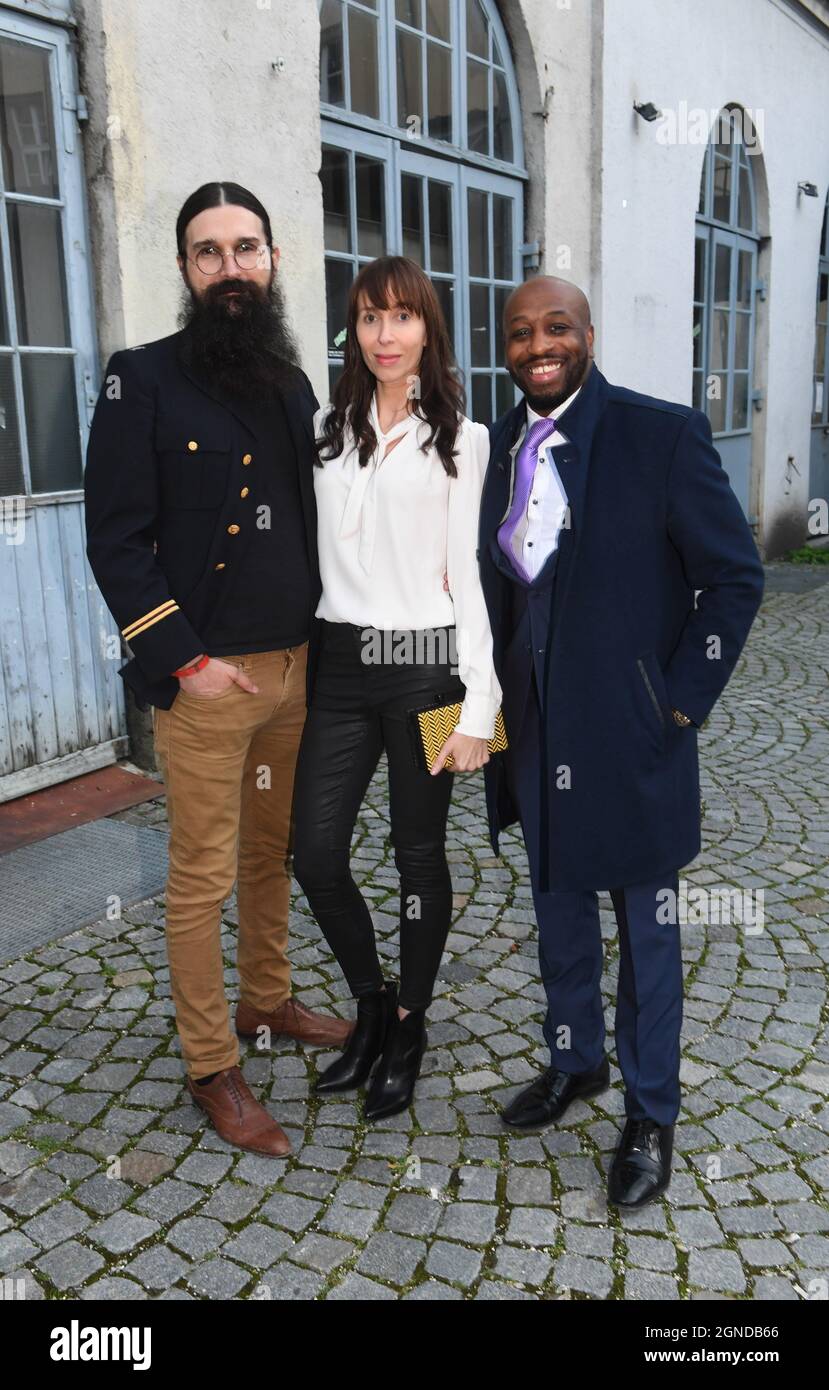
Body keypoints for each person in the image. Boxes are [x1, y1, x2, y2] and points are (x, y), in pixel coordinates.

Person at [478, 275, 764, 1207]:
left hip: (633, 734)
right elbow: (489, 595)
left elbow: (732, 579)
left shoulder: (659, 434)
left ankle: (650, 1111)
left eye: (555, 326)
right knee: (558, 909)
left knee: (647, 933)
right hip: (534, 732)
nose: (537, 345)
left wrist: (676, 703)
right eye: (519, 332)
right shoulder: (499, 446)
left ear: (587, 333)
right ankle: (575, 1062)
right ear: (506, 346)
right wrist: (474, 720)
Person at [84, 182, 352, 1158]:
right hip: (204, 684)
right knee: (199, 879)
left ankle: (267, 1001)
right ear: (186, 268)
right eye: (209, 251)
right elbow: (115, 540)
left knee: (268, 854)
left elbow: (321, 514)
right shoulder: (140, 380)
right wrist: (182, 656)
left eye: (246, 248)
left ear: (272, 261)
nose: (229, 267)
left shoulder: (287, 381)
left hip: (293, 673)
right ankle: (211, 1063)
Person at [291, 255, 502, 1121]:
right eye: (370, 318)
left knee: (418, 853)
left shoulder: (462, 436)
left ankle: (410, 1023)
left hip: (427, 668)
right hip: (340, 665)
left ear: (427, 328)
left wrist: (479, 711)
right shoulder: (324, 427)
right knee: (314, 851)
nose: (385, 335)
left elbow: (471, 578)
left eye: (402, 317)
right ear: (354, 330)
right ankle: (370, 1005)